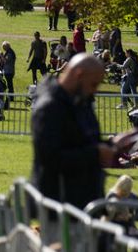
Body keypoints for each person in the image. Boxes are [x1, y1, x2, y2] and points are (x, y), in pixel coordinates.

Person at [30, 54, 112, 208]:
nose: (95, 91)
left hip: (82, 202)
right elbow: (50, 159)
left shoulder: (80, 101)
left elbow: (82, 142)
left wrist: (111, 145)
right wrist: (96, 153)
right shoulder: (50, 107)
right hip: (60, 205)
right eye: (94, 84)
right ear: (79, 75)